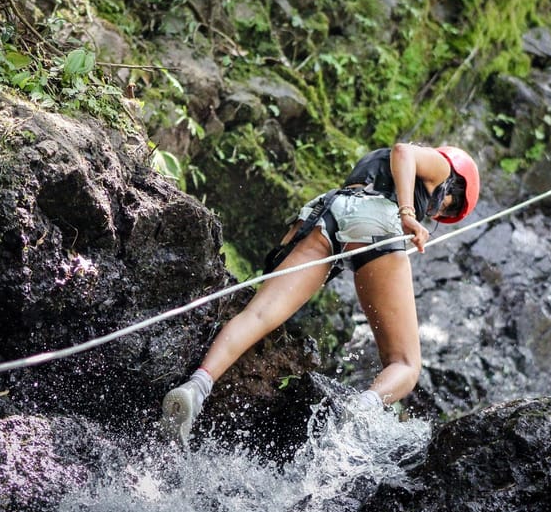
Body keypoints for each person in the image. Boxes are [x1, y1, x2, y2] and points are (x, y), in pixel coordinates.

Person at [160, 142, 480, 444]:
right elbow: (404, 151)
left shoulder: (374, 161)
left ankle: (196, 388)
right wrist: (408, 214)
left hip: (328, 213)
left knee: (259, 313)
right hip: (377, 221)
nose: (438, 213)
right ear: (457, 183)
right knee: (406, 365)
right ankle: (355, 414)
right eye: (449, 205)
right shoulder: (442, 167)